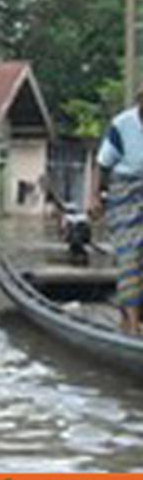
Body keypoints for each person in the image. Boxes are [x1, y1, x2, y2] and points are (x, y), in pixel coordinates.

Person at [89, 88, 143, 334]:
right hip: (124, 191)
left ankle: (132, 316)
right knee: (129, 257)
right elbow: (101, 164)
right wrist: (94, 197)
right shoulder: (122, 125)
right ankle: (131, 325)